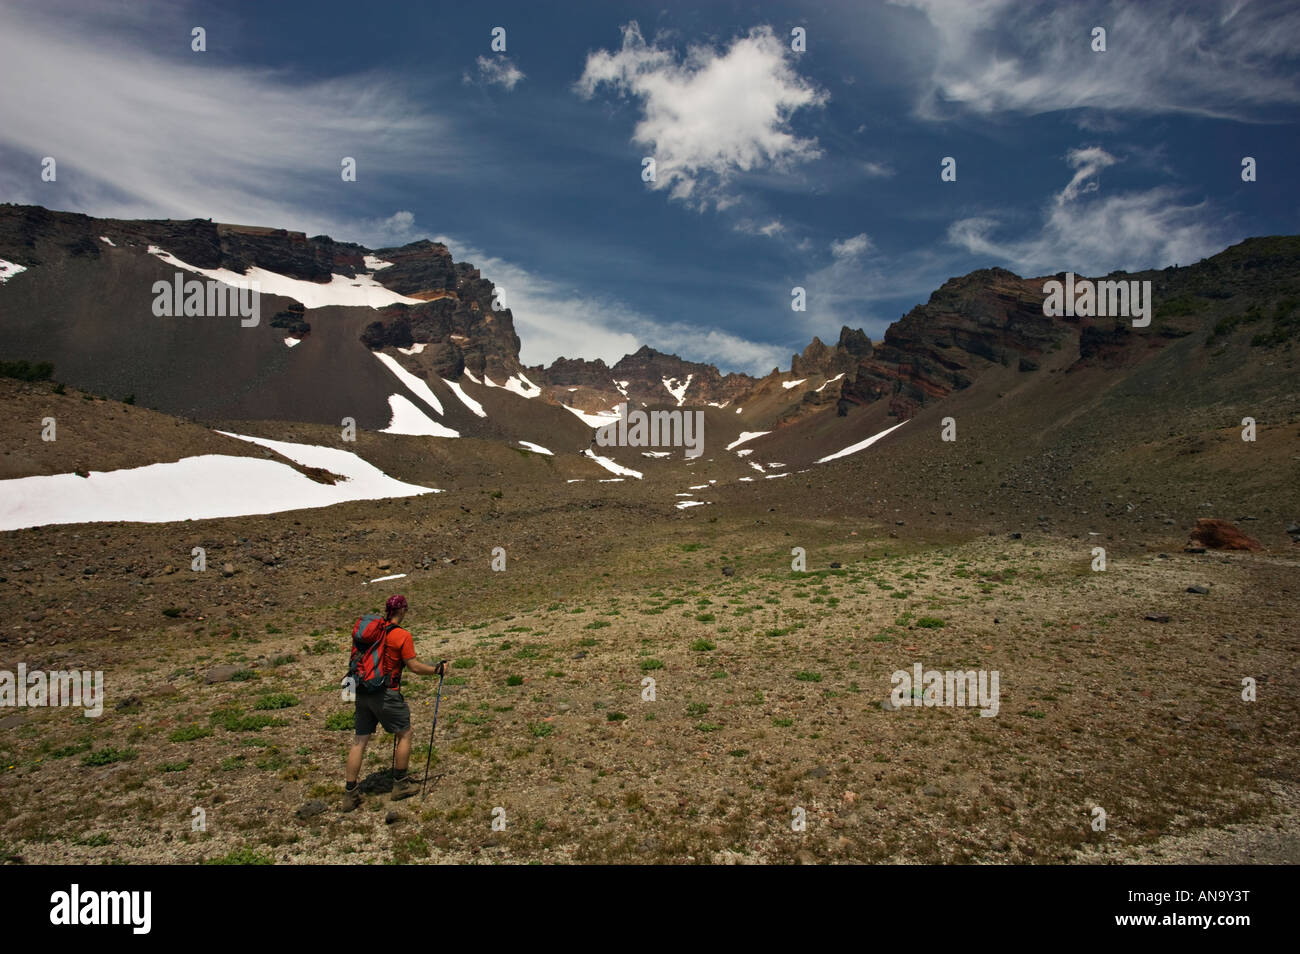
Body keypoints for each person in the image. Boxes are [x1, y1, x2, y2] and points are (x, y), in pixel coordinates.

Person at [342, 594, 445, 811]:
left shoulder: (372, 633)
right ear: (403, 610)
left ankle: (350, 794)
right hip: (386, 693)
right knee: (405, 733)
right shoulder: (402, 636)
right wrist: (437, 669)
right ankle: (400, 785)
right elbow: (414, 667)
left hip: (361, 690)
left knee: (359, 740)